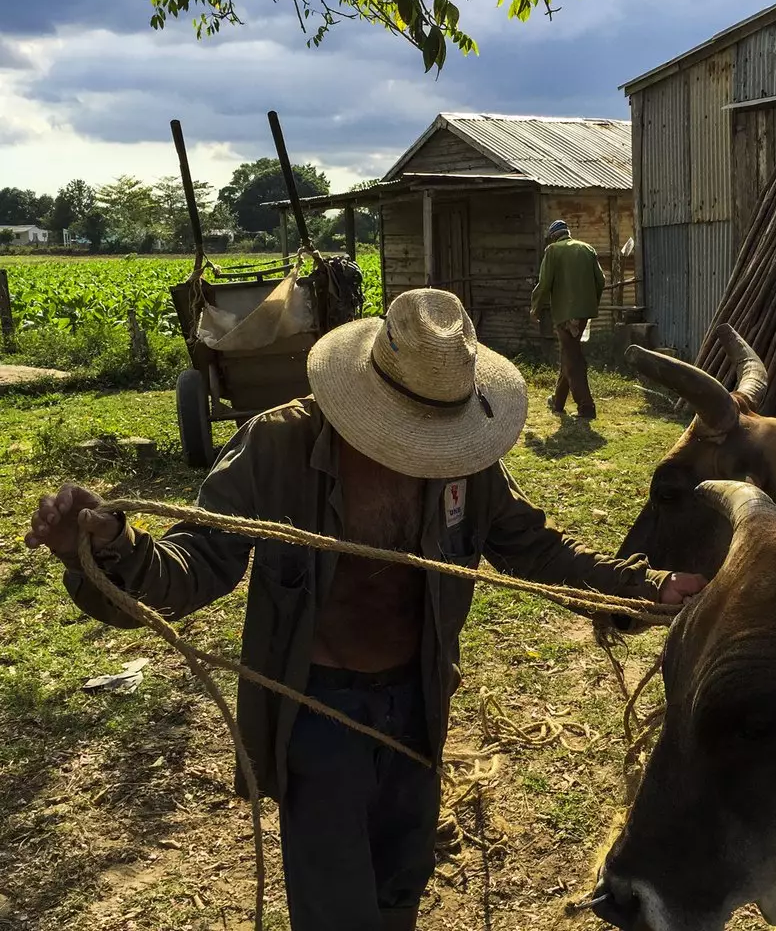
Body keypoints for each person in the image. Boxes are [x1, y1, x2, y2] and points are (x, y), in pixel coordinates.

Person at [25, 288, 705, 931]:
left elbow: (536, 550)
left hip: (418, 702)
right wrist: (114, 546)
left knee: (399, 884)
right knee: (334, 907)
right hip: (318, 712)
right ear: (366, 396)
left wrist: (645, 588)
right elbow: (195, 567)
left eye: (437, 431)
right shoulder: (277, 447)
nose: (422, 451)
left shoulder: (467, 463)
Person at [529, 219, 605, 419]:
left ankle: (586, 407)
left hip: (564, 315)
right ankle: (558, 402)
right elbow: (601, 280)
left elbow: (544, 284)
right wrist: (589, 305)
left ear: (553, 236)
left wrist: (535, 308)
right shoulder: (587, 249)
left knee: (573, 359)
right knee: (569, 354)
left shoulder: (553, 251)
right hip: (582, 315)